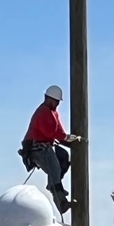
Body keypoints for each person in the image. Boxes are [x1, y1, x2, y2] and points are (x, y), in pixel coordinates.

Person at [22, 85, 80, 215]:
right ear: (49, 99)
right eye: (56, 101)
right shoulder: (43, 111)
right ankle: (61, 201)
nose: (58, 104)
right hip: (37, 148)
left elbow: (58, 131)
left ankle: (54, 184)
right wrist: (65, 138)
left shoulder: (53, 113)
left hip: (45, 145)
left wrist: (67, 138)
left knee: (63, 158)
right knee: (54, 169)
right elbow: (49, 132)